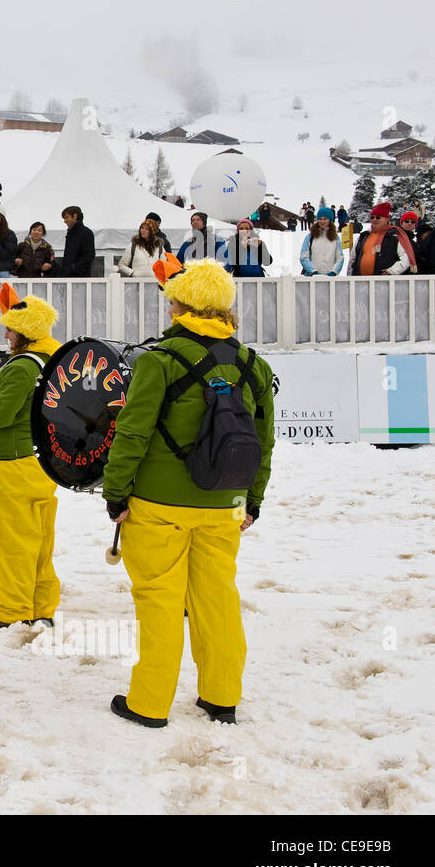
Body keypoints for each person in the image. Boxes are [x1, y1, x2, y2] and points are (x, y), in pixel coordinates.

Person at [103, 258, 275, 727]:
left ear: (183, 306)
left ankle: (149, 703)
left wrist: (116, 493)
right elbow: (264, 439)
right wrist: (252, 499)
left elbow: (132, 433)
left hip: (158, 506)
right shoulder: (251, 364)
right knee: (217, 600)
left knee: (159, 601)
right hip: (225, 504)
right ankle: (222, 697)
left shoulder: (158, 359)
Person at [0, 284, 62, 631]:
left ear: (24, 332)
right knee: (40, 543)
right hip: (43, 464)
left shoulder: (20, 367)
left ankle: (13, 610)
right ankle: (42, 607)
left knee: (12, 544)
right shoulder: (52, 360)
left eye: (10, 327)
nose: (6, 333)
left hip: (12, 466)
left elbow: (0, 415)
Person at [349, 203, 416, 275]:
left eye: (378, 217)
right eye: (372, 217)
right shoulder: (363, 236)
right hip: (361, 282)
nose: (374, 219)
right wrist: (350, 278)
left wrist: (391, 271)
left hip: (385, 283)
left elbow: (406, 258)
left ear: (387, 219)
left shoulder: (394, 237)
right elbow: (353, 260)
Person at [299, 207, 344, 277]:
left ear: (330, 220)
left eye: (325, 219)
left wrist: (333, 272)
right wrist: (313, 272)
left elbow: (340, 257)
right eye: (320, 219)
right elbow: (304, 257)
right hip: (312, 278)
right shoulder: (310, 237)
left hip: (330, 279)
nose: (322, 221)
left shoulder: (335, 238)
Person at [59, 206, 95, 278]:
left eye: (66, 217)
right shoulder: (70, 233)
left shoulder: (86, 232)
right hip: (68, 277)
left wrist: (73, 268)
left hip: (80, 278)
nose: (65, 221)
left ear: (75, 216)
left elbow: (89, 255)